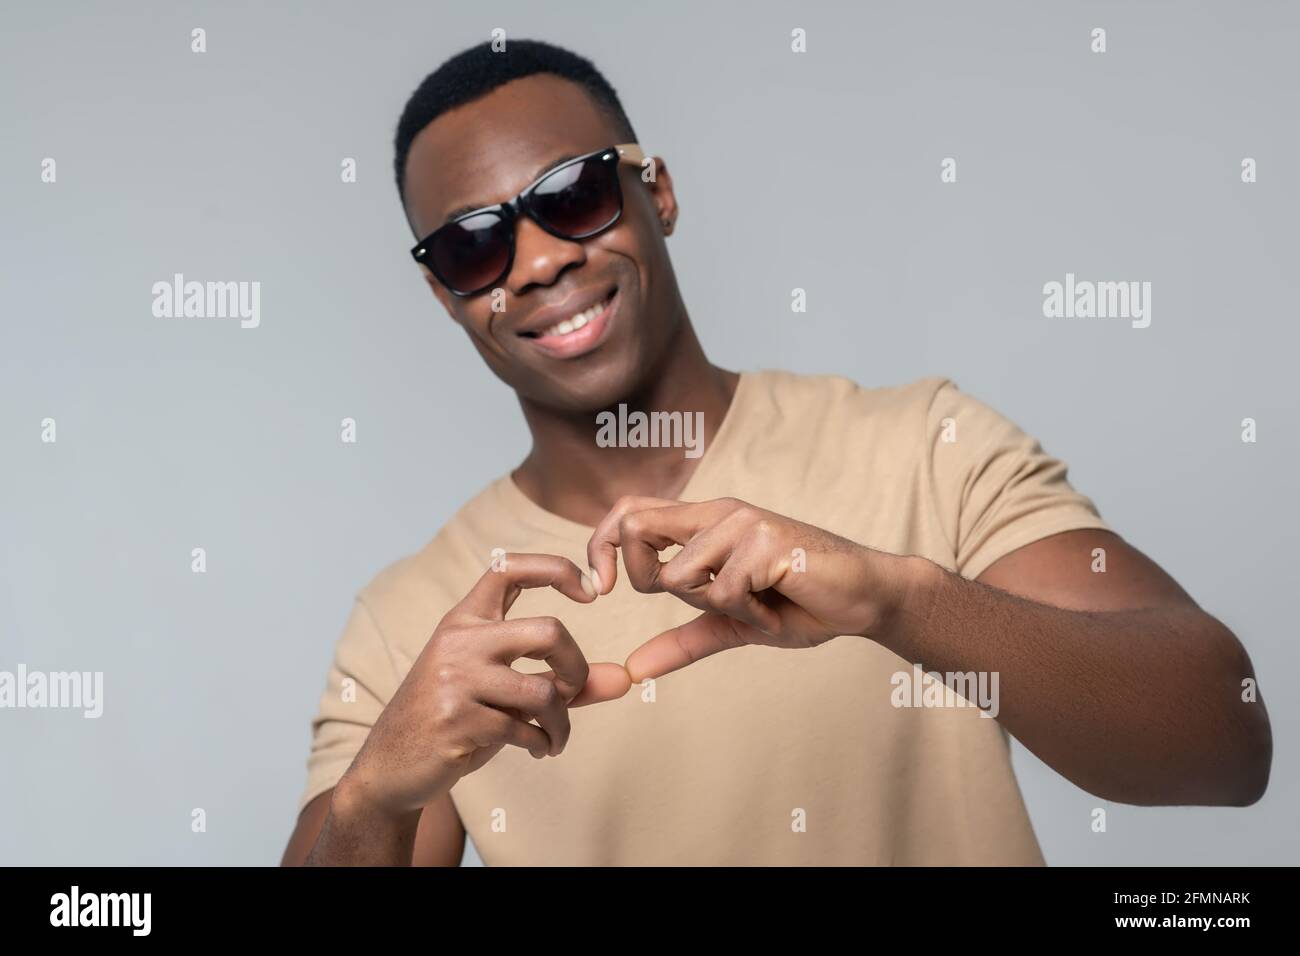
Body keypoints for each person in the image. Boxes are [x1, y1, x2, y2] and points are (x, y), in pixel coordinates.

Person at [281, 40, 1271, 866]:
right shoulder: (412, 621)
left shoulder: (925, 446)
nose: (538, 261)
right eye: (471, 246)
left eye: (574, 195)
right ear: (445, 295)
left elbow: (1225, 745)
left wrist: (901, 600)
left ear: (654, 192)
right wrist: (374, 794)